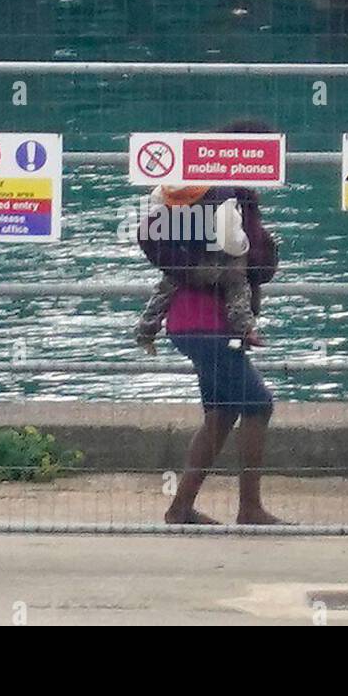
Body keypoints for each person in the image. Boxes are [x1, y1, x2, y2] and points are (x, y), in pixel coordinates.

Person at [137, 120, 283, 525]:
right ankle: (249, 508)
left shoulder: (197, 192)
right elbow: (252, 259)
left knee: (221, 413)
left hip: (188, 322)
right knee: (259, 405)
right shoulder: (232, 194)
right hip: (211, 325)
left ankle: (181, 507)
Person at [134, 184, 257, 351]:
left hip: (185, 261)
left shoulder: (164, 196)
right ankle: (244, 332)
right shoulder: (222, 193)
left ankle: (145, 331)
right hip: (218, 258)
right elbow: (233, 242)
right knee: (237, 286)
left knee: (164, 289)